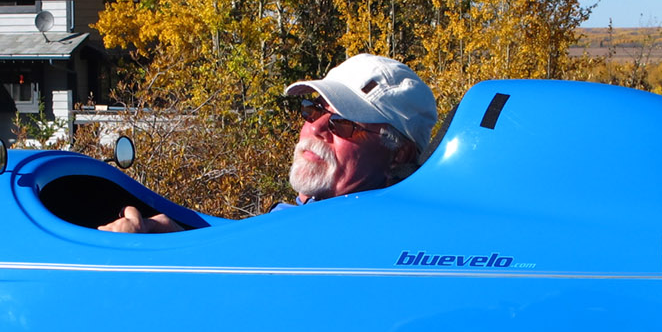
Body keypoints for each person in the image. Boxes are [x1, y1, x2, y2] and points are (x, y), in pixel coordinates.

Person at [99, 54, 437, 233]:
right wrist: (177, 237)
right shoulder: (309, 219)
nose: (316, 127)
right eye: (313, 109)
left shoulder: (371, 235)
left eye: (342, 124)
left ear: (399, 154)